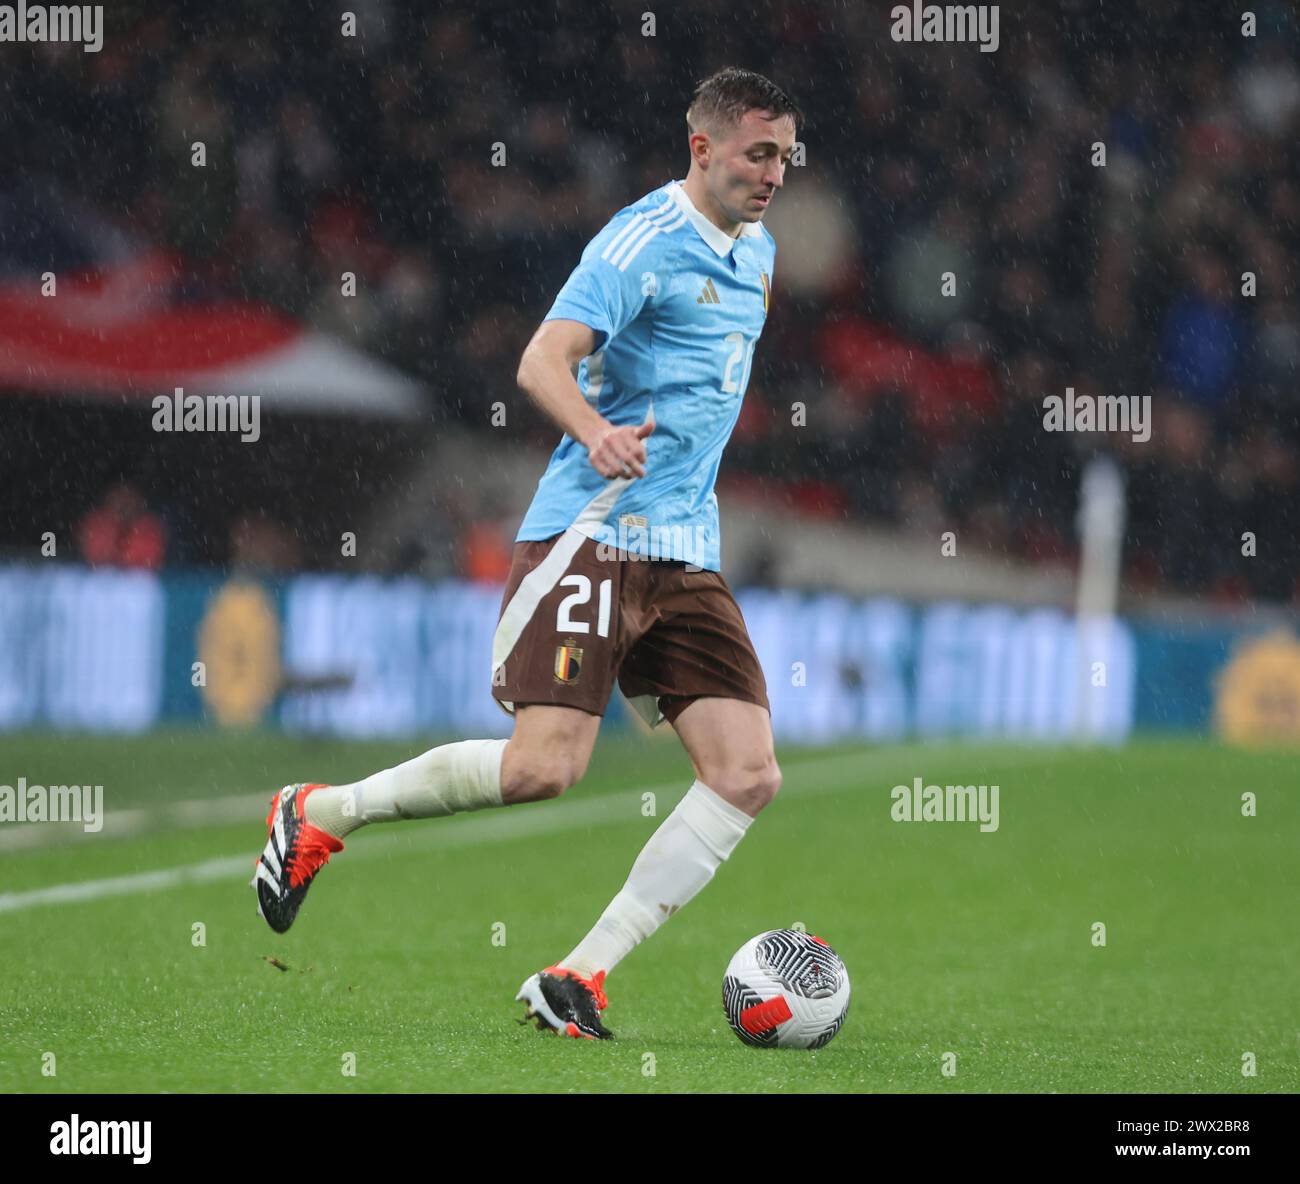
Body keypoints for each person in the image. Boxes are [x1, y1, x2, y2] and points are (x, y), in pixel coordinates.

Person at [250, 67, 800, 1040]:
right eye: (758, 153)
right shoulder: (639, 242)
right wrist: (594, 429)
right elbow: (541, 357)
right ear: (702, 148)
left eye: (785, 156)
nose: (775, 173)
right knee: (544, 767)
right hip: (591, 534)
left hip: (684, 551)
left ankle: (577, 977)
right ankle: (322, 808)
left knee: (747, 772)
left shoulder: (758, 253)